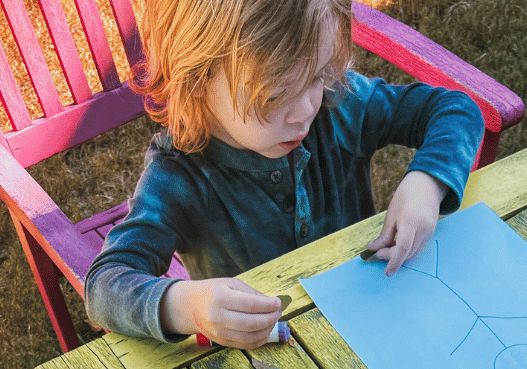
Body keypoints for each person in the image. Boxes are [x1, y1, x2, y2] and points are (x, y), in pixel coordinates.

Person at [83, 0, 484, 346]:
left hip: (373, 315)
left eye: (318, 75)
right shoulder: (179, 174)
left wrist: (426, 184)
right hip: (268, 360)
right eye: (274, 95)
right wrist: (188, 308)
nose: (305, 110)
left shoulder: (336, 106)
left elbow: (455, 110)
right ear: (197, 81)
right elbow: (104, 287)